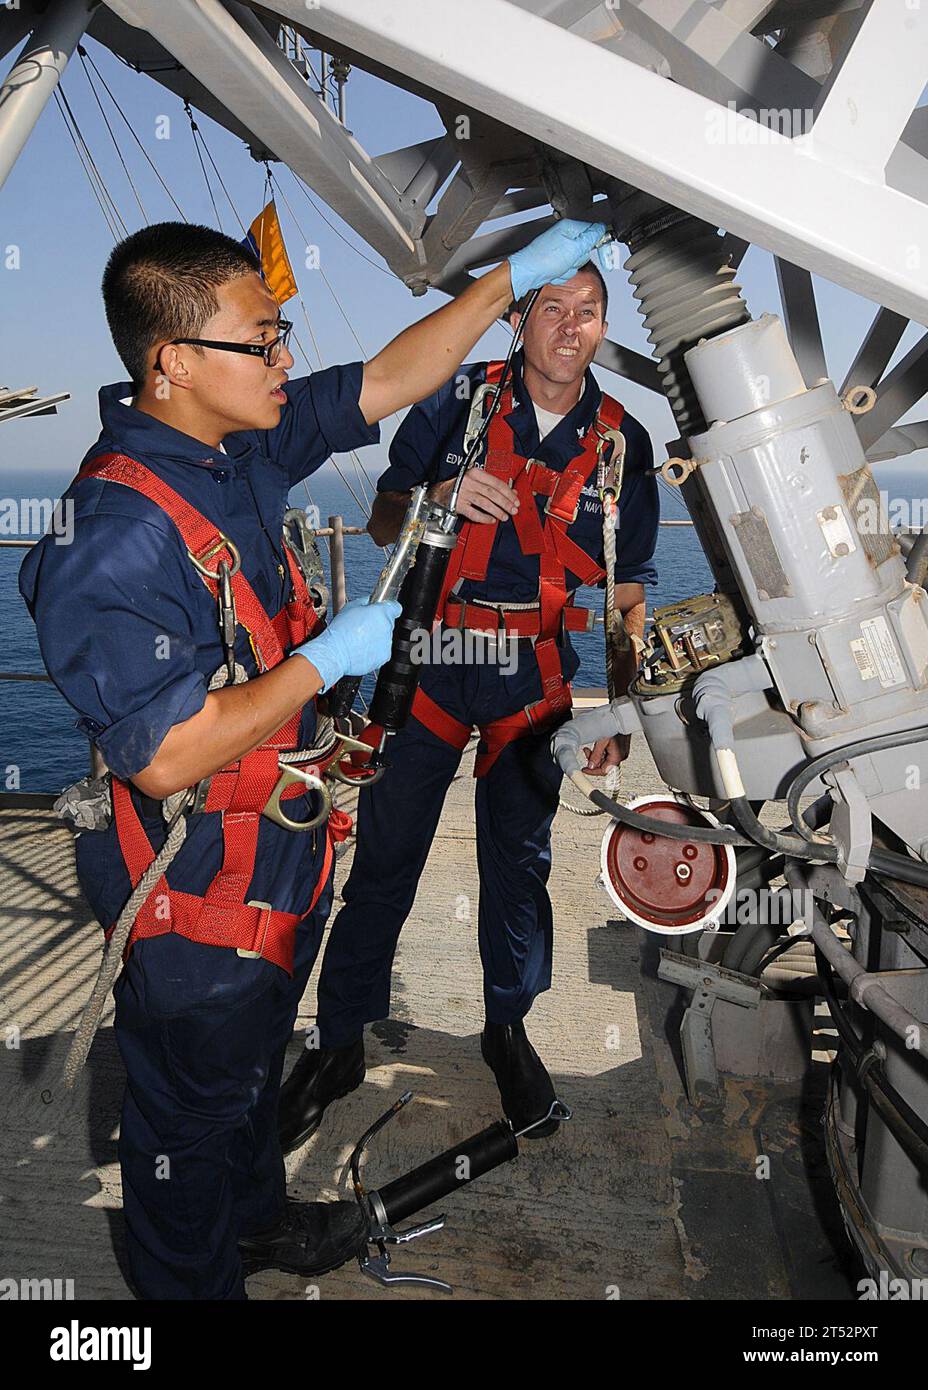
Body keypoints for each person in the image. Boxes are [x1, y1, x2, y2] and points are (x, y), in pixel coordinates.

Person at [19, 216, 607, 1300]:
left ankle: (254, 1221)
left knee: (249, 1078)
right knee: (182, 1135)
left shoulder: (233, 443)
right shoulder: (112, 533)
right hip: (195, 894)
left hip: (275, 856)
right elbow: (161, 755)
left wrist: (501, 285)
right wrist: (319, 662)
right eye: (265, 337)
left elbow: (390, 375)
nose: (286, 358)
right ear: (176, 361)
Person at [277, 260, 660, 1151]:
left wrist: (623, 713)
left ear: (604, 327)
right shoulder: (457, 401)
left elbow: (630, 591)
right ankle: (339, 1041)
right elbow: (382, 519)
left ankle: (507, 1028)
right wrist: (439, 496)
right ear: (518, 321)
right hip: (435, 655)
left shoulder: (621, 442)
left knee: (518, 865)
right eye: (552, 309)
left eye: (590, 312)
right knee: (386, 855)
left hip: (534, 673)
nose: (570, 328)